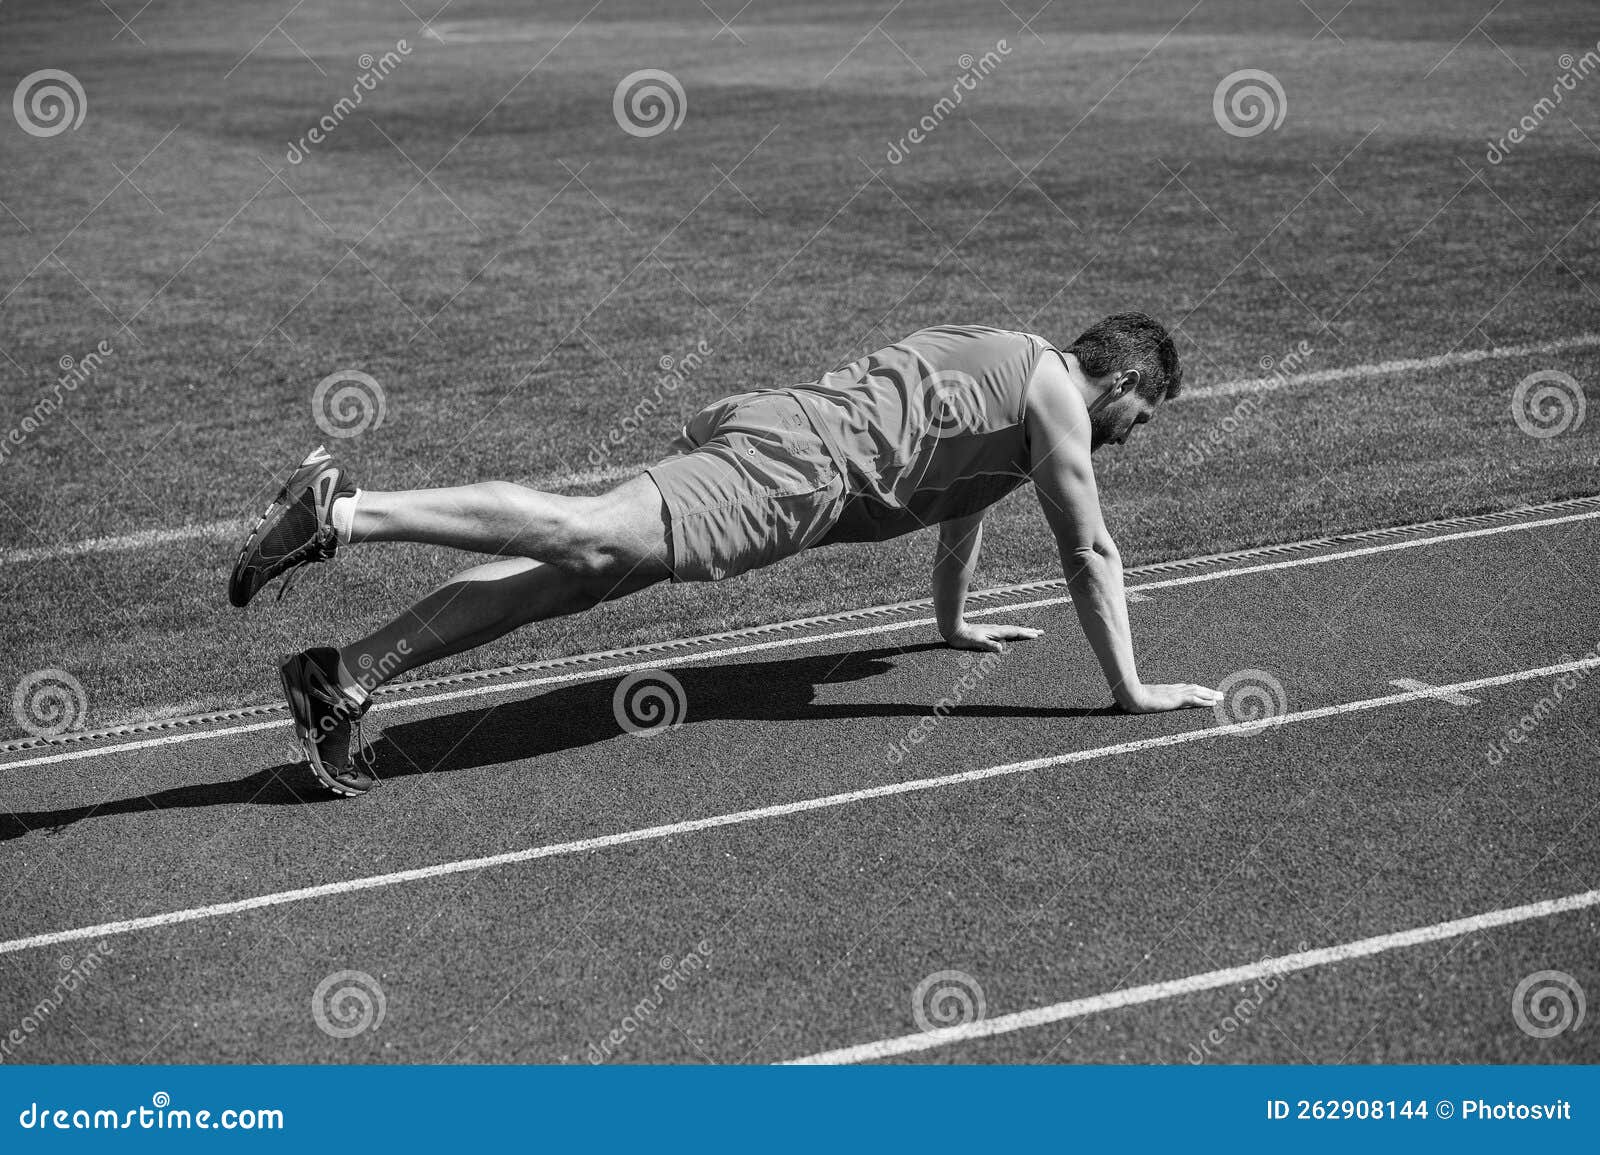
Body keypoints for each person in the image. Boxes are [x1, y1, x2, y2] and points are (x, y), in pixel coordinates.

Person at [229, 313, 1222, 796]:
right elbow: (1089, 548)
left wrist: (951, 623)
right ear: (1126, 376)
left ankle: (343, 677)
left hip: (777, 435)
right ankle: (344, 513)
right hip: (795, 474)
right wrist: (1130, 690)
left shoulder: (1011, 371)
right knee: (588, 532)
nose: (1136, 430)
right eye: (1145, 410)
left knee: (567, 581)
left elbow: (960, 505)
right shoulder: (1056, 398)